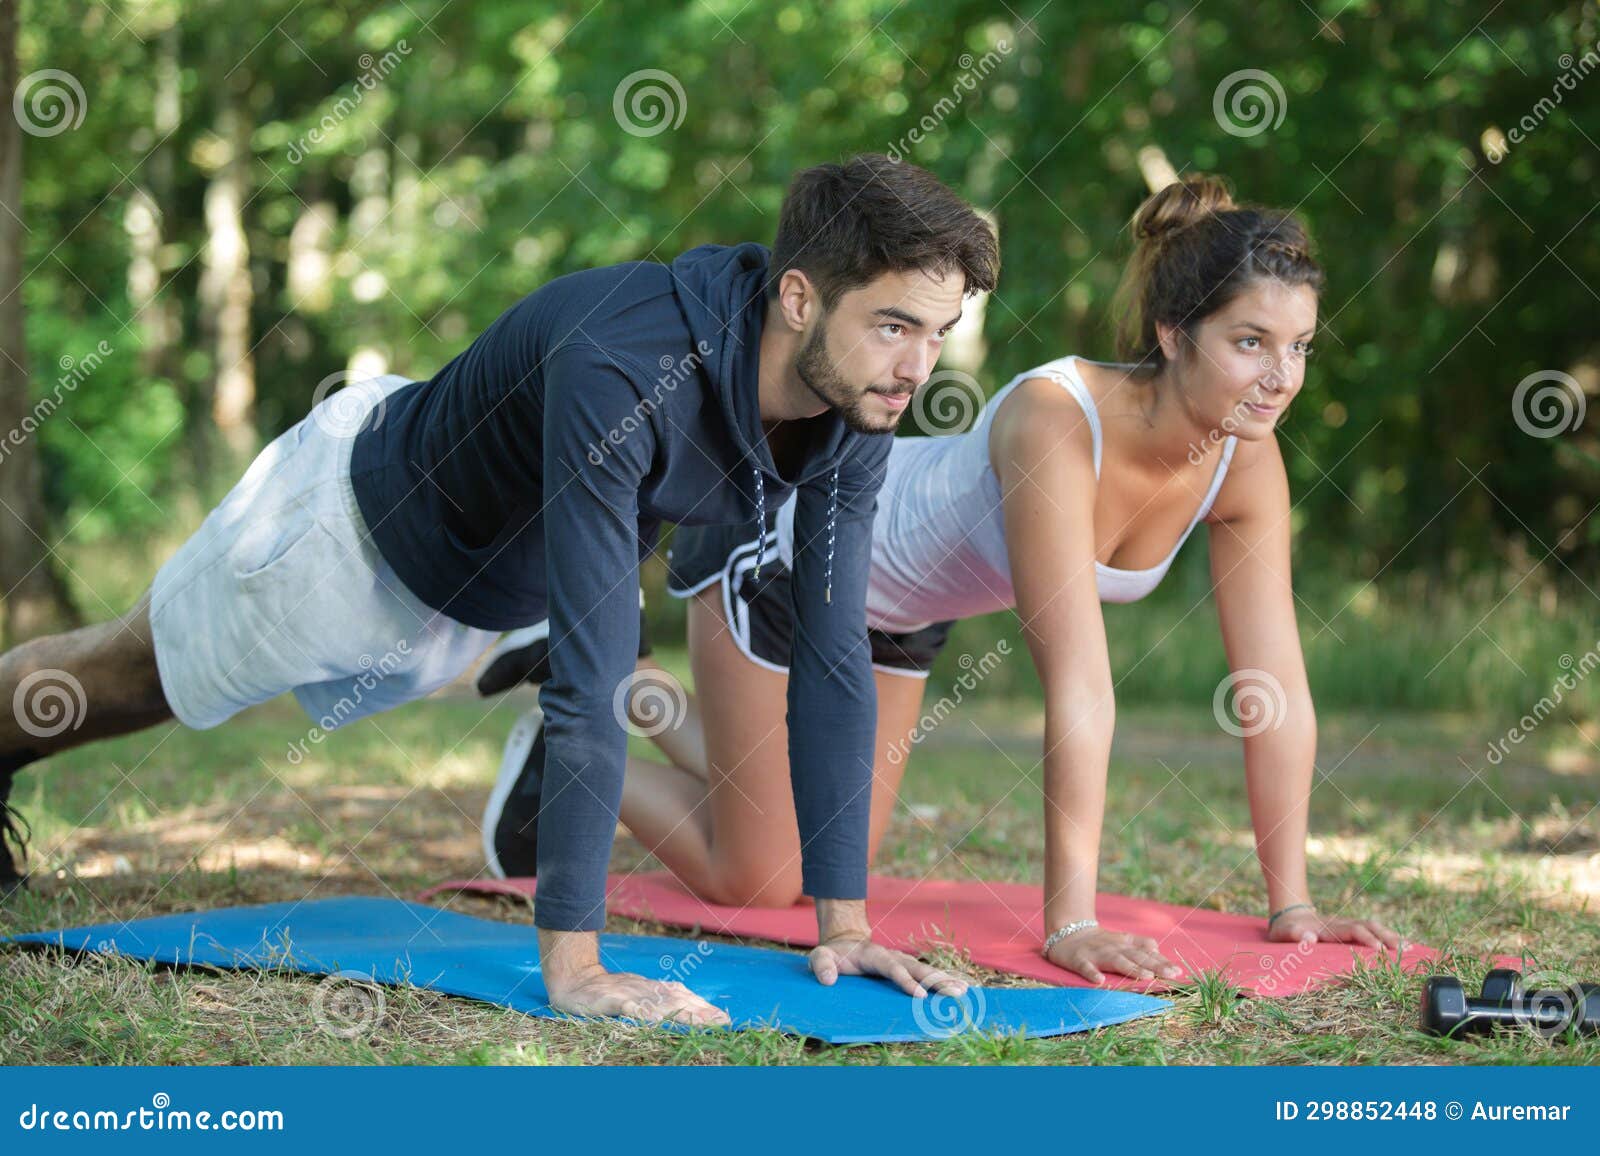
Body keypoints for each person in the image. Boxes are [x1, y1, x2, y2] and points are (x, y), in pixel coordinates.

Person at [0, 154, 1001, 1024]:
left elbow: (831, 657)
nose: (917, 366)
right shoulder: (627, 358)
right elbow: (595, 674)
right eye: (894, 326)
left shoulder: (853, 408)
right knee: (126, 683)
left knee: (605, 663)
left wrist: (845, 925)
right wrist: (575, 966)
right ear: (797, 299)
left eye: (937, 332)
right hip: (350, 544)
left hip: (499, 591)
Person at [483, 174, 1401, 987]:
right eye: (1250, 342)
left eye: (1300, 346)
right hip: (783, 560)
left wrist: (1293, 905)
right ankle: (560, 737)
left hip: (901, 625)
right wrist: (1070, 922)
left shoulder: (1244, 458)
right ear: (1173, 333)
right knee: (760, 877)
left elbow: (1273, 685)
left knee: (830, 855)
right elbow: (1079, 685)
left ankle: (626, 692)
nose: (1281, 377)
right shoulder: (1055, 419)